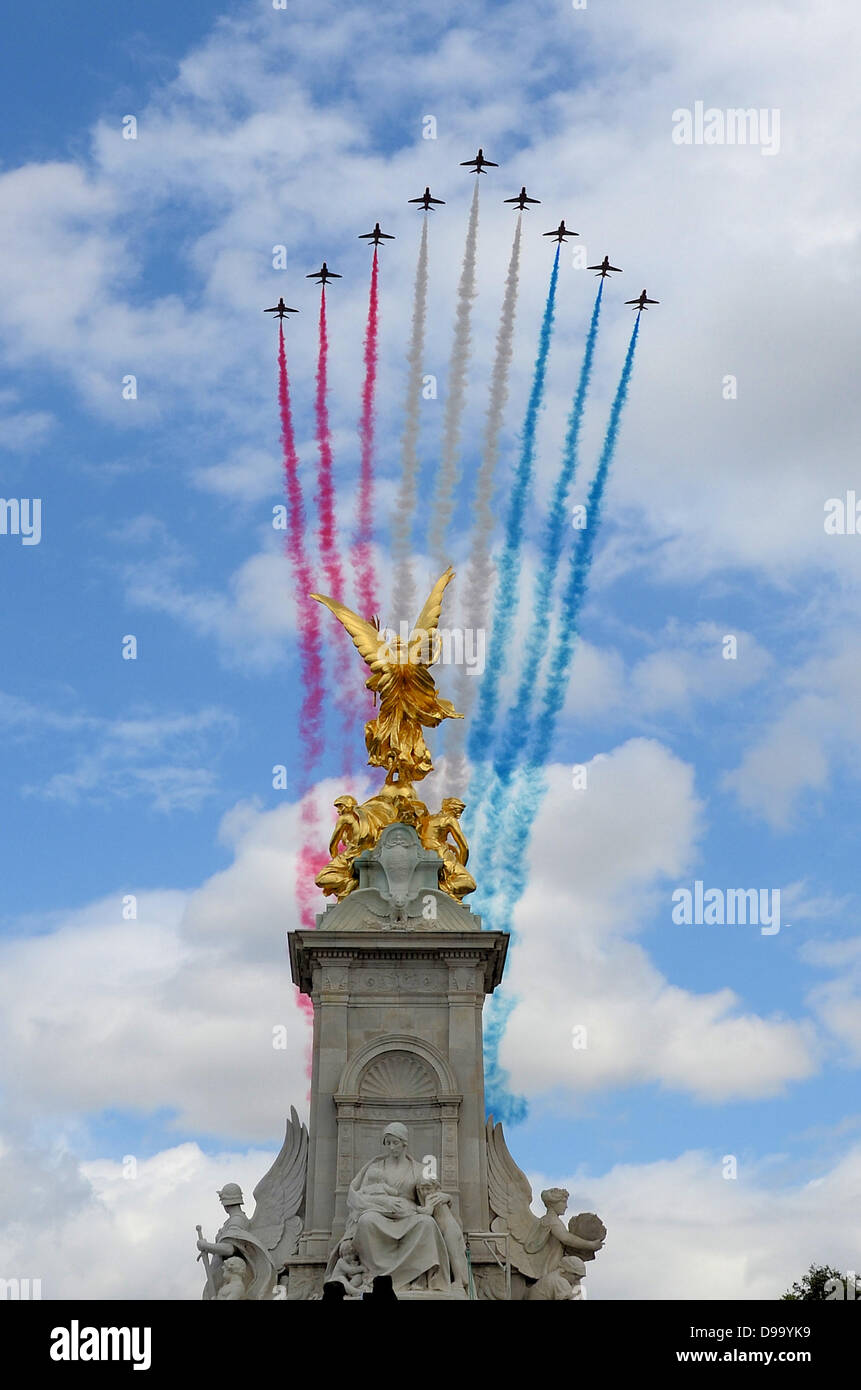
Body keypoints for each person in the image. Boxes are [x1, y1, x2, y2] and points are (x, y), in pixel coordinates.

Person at [324, 1122, 453, 1292]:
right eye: (388, 1143)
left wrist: (447, 1197)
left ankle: (415, 1276)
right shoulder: (375, 1167)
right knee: (366, 1221)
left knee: (427, 1224)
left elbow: (431, 1195)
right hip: (380, 1213)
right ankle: (376, 1275)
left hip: (409, 1214)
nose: (391, 1147)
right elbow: (362, 1195)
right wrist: (384, 1202)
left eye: (395, 1142)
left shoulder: (419, 1169)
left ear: (404, 1143)